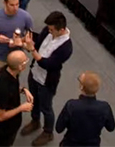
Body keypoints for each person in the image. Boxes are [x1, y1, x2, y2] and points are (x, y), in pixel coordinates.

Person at [19, 13, 74, 146]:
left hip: (47, 81)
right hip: (34, 73)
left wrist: (32, 50)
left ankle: (48, 132)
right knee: (33, 101)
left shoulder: (66, 47)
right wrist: (29, 39)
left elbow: (48, 64)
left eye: (51, 30)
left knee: (46, 107)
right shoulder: (48, 31)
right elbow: (39, 42)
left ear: (61, 30)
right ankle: (35, 121)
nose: (48, 31)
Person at [0, 0, 34, 120]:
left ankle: (11, 103)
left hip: (17, 58)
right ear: (5, 3)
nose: (15, 7)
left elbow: (30, 37)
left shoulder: (25, 17)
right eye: (12, 5)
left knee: (13, 81)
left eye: (17, 4)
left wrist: (20, 41)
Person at [55, 72, 115, 146]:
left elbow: (59, 128)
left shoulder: (71, 106)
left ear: (81, 87)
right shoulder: (104, 107)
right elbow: (111, 127)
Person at [0, 50, 33, 146]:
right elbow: (1, 116)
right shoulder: (3, 87)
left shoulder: (9, 71)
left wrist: (24, 90)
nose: (27, 62)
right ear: (20, 67)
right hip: (7, 126)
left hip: (14, 121)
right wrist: (21, 108)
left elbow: (12, 89)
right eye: (25, 61)